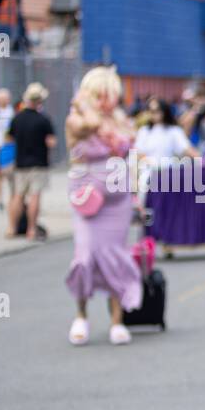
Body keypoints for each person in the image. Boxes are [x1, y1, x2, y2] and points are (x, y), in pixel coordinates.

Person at [63, 66, 142, 346]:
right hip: (88, 196)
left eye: (111, 94)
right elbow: (91, 127)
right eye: (102, 94)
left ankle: (117, 321)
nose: (108, 101)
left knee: (115, 257)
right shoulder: (78, 118)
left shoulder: (120, 120)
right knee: (85, 255)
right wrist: (85, 105)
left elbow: (131, 154)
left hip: (117, 198)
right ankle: (81, 315)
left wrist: (135, 197)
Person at [5, 83, 56, 242]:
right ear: (40, 100)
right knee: (35, 196)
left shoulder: (17, 118)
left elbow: (8, 138)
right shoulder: (44, 119)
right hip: (39, 163)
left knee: (18, 196)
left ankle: (11, 228)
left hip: (20, 163)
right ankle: (31, 230)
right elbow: (51, 142)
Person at [134, 98, 197, 166]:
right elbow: (138, 152)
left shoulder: (174, 131)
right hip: (148, 172)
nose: (153, 114)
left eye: (157, 110)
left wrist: (204, 162)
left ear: (164, 111)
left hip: (168, 172)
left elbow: (187, 149)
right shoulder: (144, 131)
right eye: (151, 110)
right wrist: (152, 164)